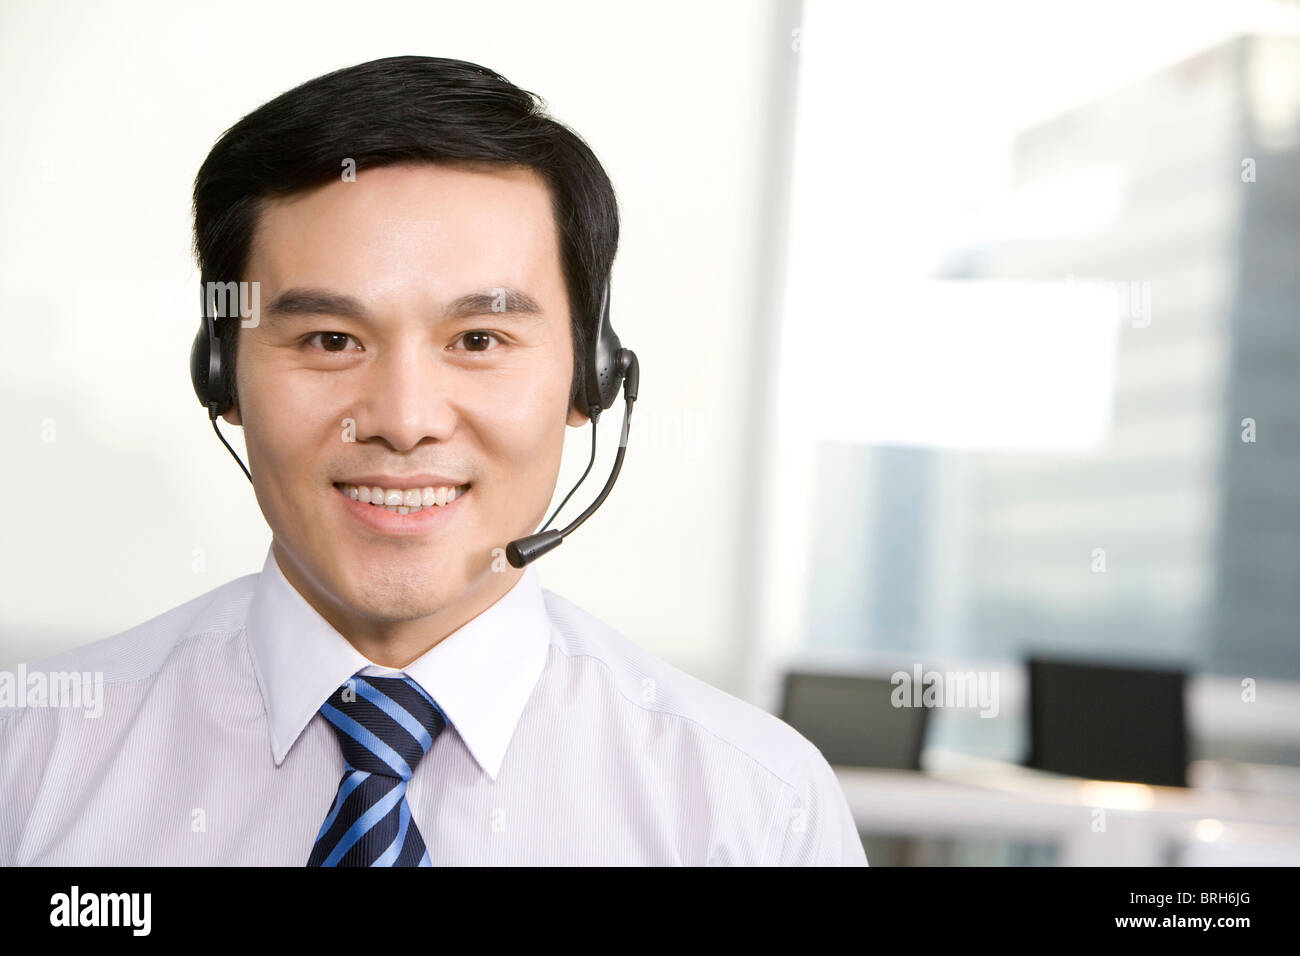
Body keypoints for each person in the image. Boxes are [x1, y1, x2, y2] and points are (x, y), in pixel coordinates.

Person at [0, 55, 867, 866]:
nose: (404, 421)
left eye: (479, 339)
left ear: (590, 377)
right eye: (331, 339)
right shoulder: (28, 759)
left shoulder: (756, 813)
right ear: (220, 376)